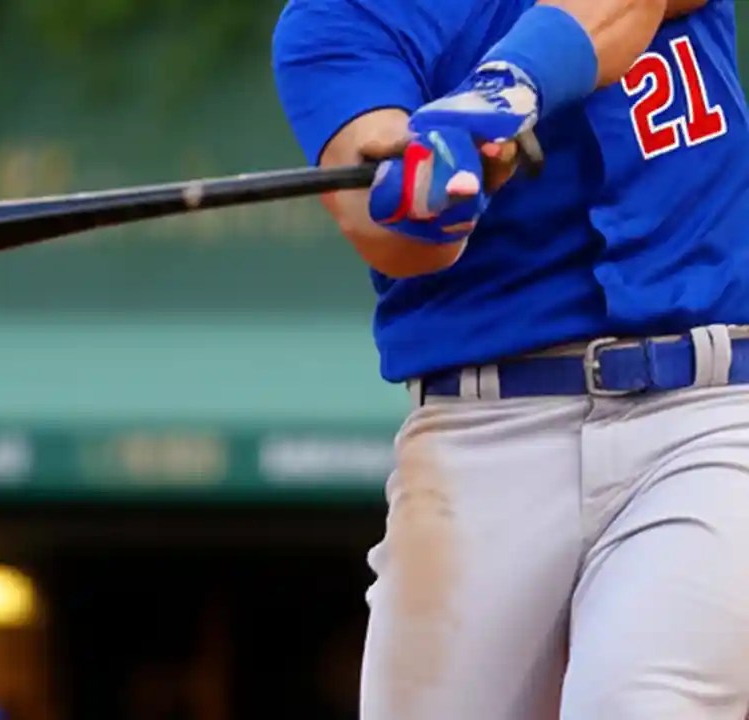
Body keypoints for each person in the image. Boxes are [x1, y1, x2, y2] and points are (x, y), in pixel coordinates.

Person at [271, 1, 749, 718]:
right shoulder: (331, 21)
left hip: (704, 413)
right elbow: (394, 231)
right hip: (482, 437)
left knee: (638, 701)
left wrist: (504, 88)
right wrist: (432, 187)